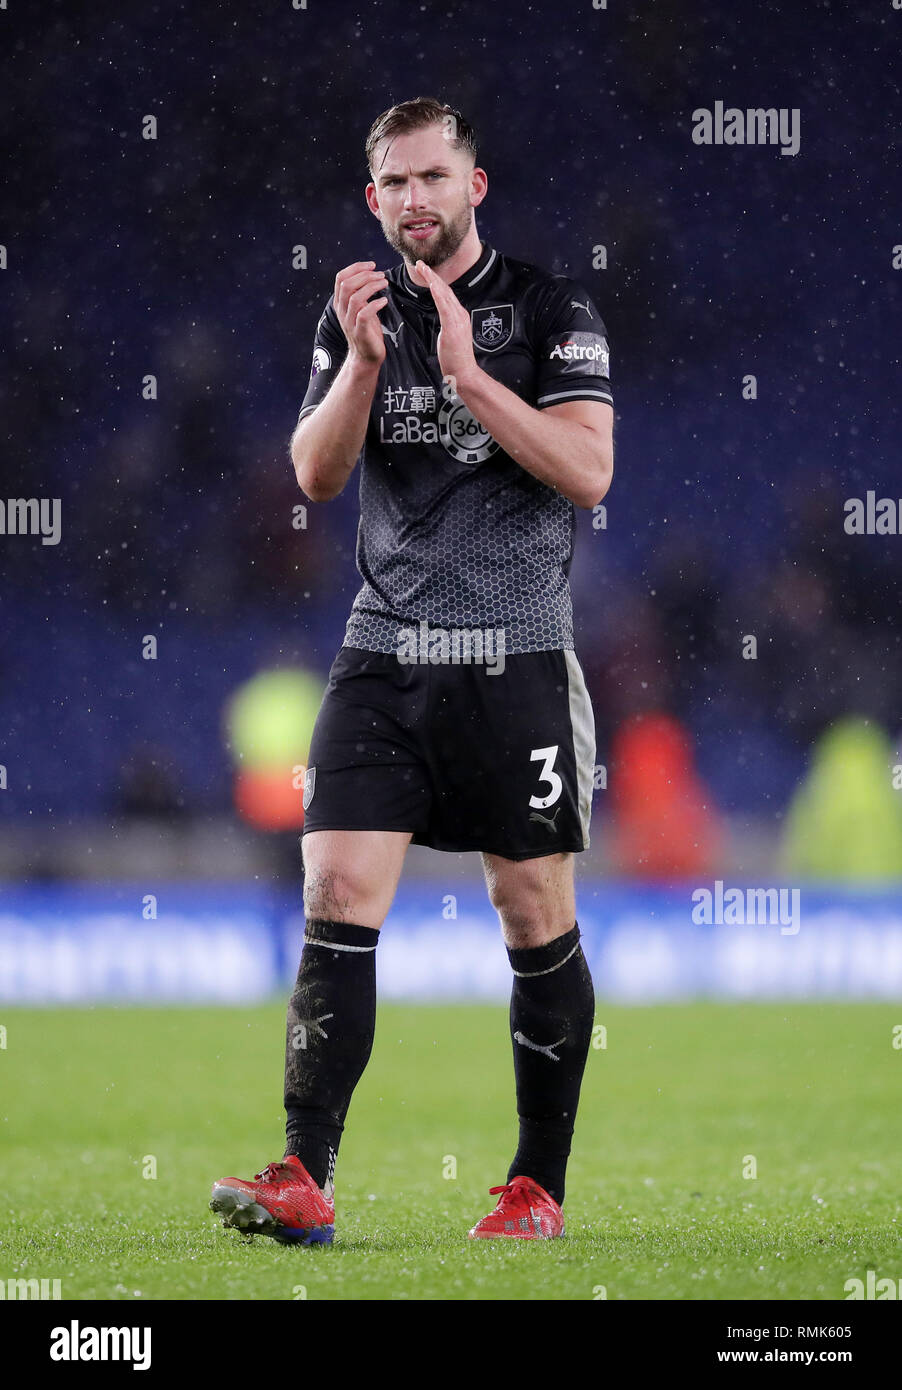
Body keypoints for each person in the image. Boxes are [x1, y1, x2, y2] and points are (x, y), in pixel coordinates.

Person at [210, 96, 614, 1244]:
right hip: (382, 651)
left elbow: (586, 472)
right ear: (373, 197)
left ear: (471, 187)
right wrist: (364, 367)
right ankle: (303, 1174)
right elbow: (315, 476)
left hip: (514, 653)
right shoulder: (356, 314)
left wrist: (470, 378)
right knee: (334, 897)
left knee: (530, 908)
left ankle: (535, 1187)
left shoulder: (550, 307)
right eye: (394, 182)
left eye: (434, 176)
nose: (414, 199)